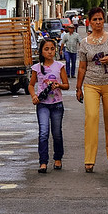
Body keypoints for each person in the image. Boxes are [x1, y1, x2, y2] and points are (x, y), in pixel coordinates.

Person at [76, 7, 108, 173]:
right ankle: (89, 160)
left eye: (100, 19)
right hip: (91, 84)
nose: (98, 22)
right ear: (89, 22)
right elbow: (82, 67)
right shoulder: (84, 43)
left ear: (103, 20)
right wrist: (78, 88)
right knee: (91, 118)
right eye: (95, 19)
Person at [28, 38, 69, 173]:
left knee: (56, 133)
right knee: (43, 132)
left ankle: (58, 158)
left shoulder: (59, 66)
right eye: (46, 49)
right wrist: (34, 96)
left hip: (57, 105)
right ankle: (43, 162)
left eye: (52, 49)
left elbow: (66, 85)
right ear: (41, 51)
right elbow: (31, 85)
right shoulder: (37, 68)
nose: (50, 52)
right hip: (43, 105)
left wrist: (59, 85)